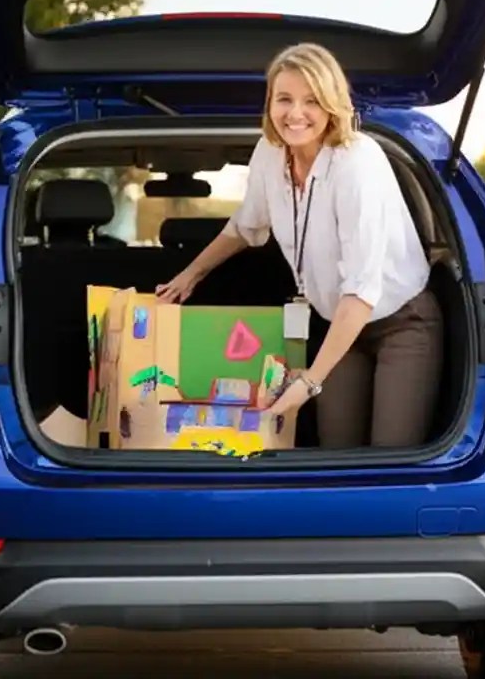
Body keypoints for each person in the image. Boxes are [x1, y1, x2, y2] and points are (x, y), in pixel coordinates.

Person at [155, 42, 443, 450]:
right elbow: (246, 226)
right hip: (337, 326)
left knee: (389, 457)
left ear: (333, 104)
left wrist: (309, 381)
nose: (295, 114)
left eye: (311, 100)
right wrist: (190, 275)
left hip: (400, 322)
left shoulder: (357, 164)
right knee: (335, 450)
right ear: (269, 103)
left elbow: (362, 290)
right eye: (284, 99)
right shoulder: (270, 154)